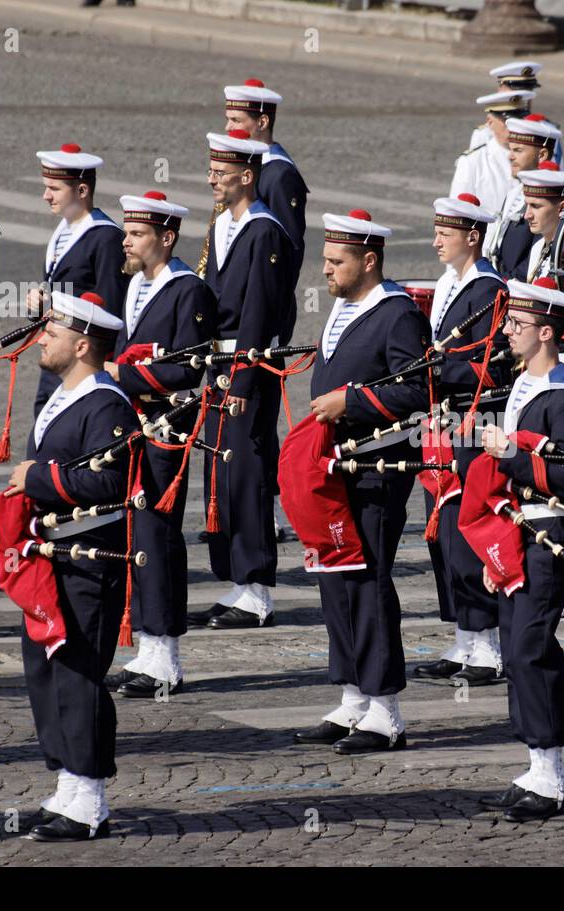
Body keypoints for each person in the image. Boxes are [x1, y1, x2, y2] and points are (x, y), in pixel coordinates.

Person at [294, 210, 430, 754]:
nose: (325, 270)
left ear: (369, 261)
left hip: (375, 470)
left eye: (336, 261)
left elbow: (417, 393)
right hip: (333, 469)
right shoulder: (344, 305)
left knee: (368, 582)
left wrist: (349, 401)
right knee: (336, 576)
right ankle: (352, 694)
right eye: (325, 259)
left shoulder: (396, 314)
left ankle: (385, 710)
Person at [6, 290, 140, 840]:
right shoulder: (67, 394)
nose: (42, 337)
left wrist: (35, 478)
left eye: (52, 332)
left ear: (83, 343)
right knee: (45, 671)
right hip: (49, 557)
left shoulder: (107, 403)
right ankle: (67, 782)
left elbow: (112, 485)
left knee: (78, 674)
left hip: (86, 562)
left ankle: (89, 799)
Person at [475, 277, 564, 822]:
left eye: (518, 325)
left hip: (549, 535)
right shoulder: (524, 385)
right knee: (515, 645)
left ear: (547, 333)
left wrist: (509, 457)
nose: (507, 331)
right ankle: (535, 763)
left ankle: (553, 774)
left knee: (531, 647)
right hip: (517, 534)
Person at [100, 192, 214, 697]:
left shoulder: (188, 291)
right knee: (135, 532)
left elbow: (189, 368)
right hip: (132, 423)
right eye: (127, 232)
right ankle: (146, 646)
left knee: (158, 536)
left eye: (137, 234)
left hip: (166, 426)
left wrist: (123, 374)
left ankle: (165, 655)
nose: (126, 241)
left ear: (166, 238)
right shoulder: (134, 285)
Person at [189, 131, 296, 630]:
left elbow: (258, 311)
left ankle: (256, 589)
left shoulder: (264, 230)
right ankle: (236, 581)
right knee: (222, 476)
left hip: (243, 370)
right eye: (211, 168)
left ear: (247, 176)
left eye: (221, 171)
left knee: (248, 473)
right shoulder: (222, 225)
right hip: (217, 366)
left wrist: (244, 382)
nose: (212, 178)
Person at [415, 193, 509, 686]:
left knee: (469, 532)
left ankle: (487, 645)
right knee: (445, 536)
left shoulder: (488, 289)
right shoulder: (451, 283)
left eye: (444, 233)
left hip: (473, 422)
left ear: (472, 237)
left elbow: (493, 367)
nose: (435, 241)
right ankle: (465, 638)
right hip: (442, 424)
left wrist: (435, 367)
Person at [24, 143, 126, 416]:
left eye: (55, 188)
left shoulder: (105, 237)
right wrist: (40, 305)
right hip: (57, 352)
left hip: (81, 360)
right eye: (46, 186)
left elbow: (110, 308)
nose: (46, 195)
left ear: (82, 190)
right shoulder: (64, 230)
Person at [223, 78, 308, 314]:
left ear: (262, 121)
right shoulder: (242, 165)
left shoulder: (280, 175)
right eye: (227, 119)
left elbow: (288, 251)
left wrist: (269, 313)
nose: (229, 127)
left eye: (237, 120)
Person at [485, 113, 562, 279]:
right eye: (511, 149)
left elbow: (539, 252)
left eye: (518, 150)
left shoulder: (551, 198)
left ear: (541, 155)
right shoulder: (514, 193)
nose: (510, 156)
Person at [451, 91, 535, 218]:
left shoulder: (534, 157)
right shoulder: (472, 161)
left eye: (519, 120)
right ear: (490, 122)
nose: (514, 126)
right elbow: (457, 212)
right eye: (507, 121)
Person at [516, 161, 564, 282]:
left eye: (536, 206)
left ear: (562, 208)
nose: (527, 215)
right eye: (526, 205)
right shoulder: (537, 247)